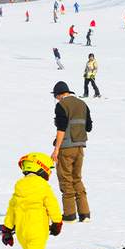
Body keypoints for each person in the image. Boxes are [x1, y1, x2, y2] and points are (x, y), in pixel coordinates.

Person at [1, 153, 63, 249]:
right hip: (37, 229)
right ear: (41, 168)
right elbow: (52, 206)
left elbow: (11, 209)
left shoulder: (19, 187)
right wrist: (57, 223)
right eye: (49, 169)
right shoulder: (43, 187)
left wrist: (7, 230)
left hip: (22, 229)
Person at [51, 80, 92, 223]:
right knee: (77, 178)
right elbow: (89, 127)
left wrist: (56, 149)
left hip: (66, 148)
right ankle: (85, 213)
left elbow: (61, 128)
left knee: (66, 179)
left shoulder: (61, 105)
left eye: (55, 96)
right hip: (80, 148)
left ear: (59, 95)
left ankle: (69, 215)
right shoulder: (83, 104)